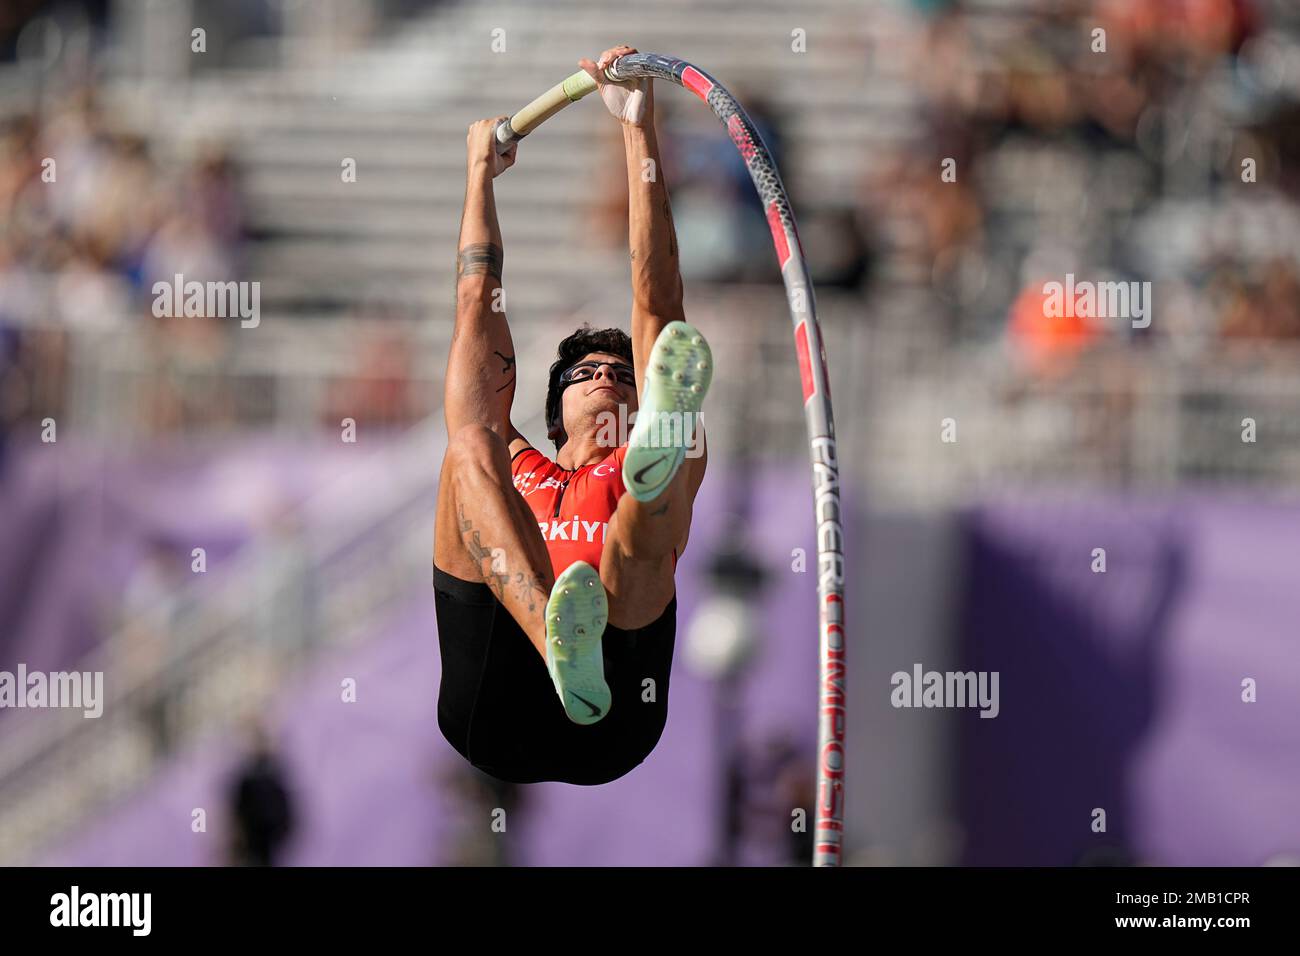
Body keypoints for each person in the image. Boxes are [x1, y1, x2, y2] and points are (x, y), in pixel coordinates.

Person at [433, 44, 711, 785]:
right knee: (467, 452)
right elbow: (474, 307)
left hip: (614, 715)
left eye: (624, 375)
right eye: (586, 374)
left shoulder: (646, 449)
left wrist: (635, 126)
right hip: (492, 701)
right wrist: (479, 176)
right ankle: (559, 646)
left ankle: (656, 457)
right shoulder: (521, 463)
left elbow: (658, 300)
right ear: (553, 415)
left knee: (661, 482)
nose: (607, 381)